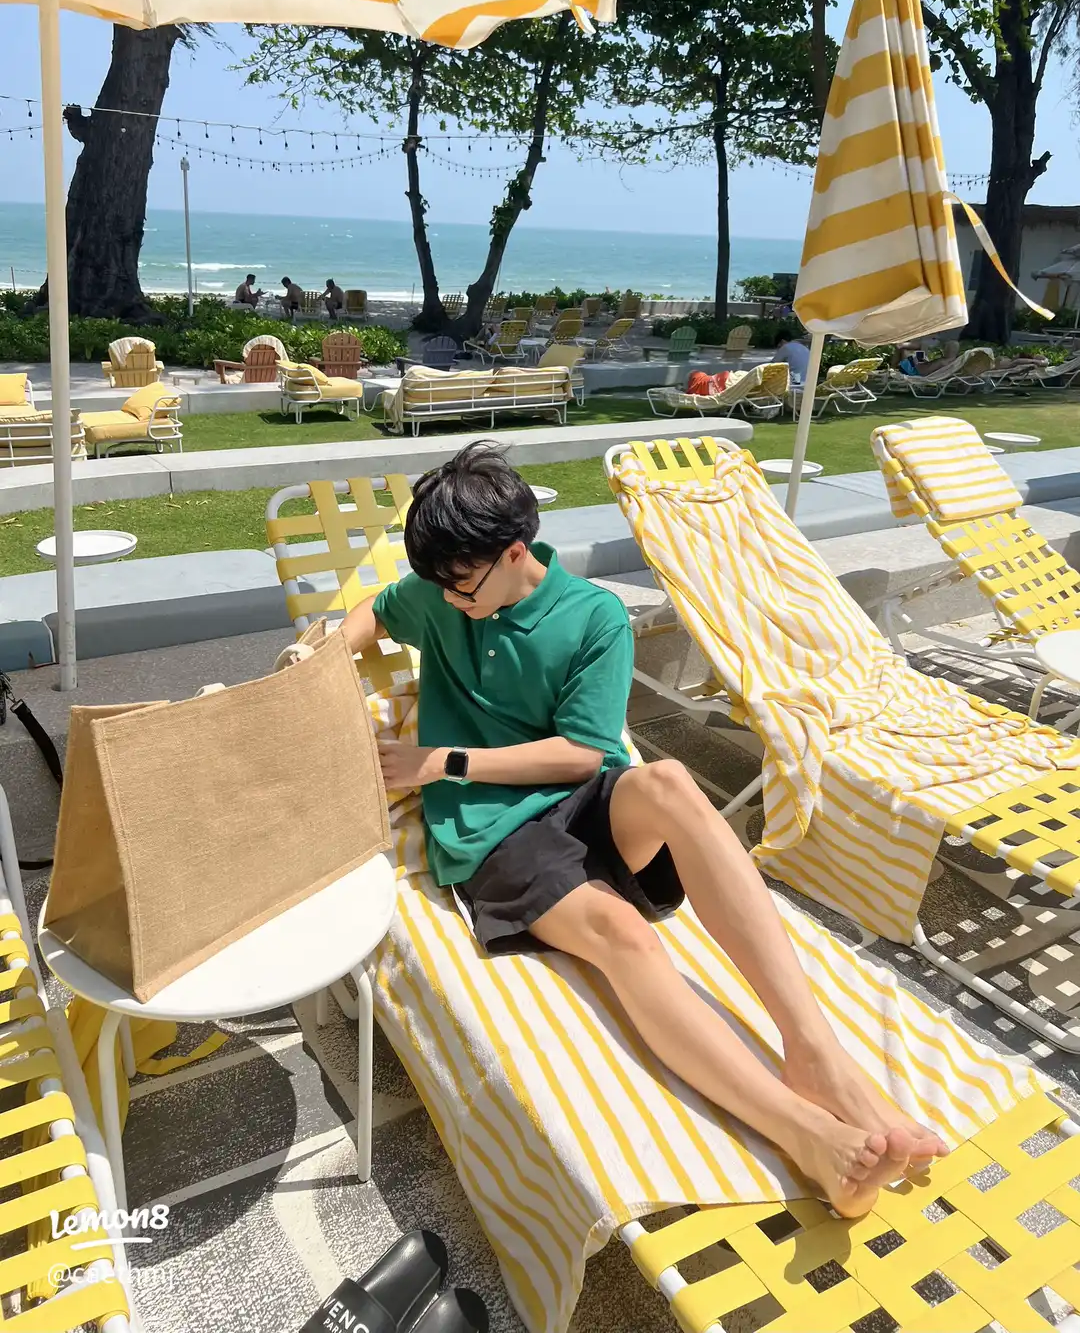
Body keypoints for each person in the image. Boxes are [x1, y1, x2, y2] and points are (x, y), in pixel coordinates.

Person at [336, 442, 945, 1217]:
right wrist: (318, 648)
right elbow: (374, 611)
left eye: (461, 587)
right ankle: (805, 1134)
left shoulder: (593, 617)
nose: (450, 602)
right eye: (442, 588)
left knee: (667, 780)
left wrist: (440, 760)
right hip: (492, 836)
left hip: (574, 797)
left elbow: (583, 755)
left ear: (514, 552)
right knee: (626, 936)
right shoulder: (442, 595)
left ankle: (814, 1048)